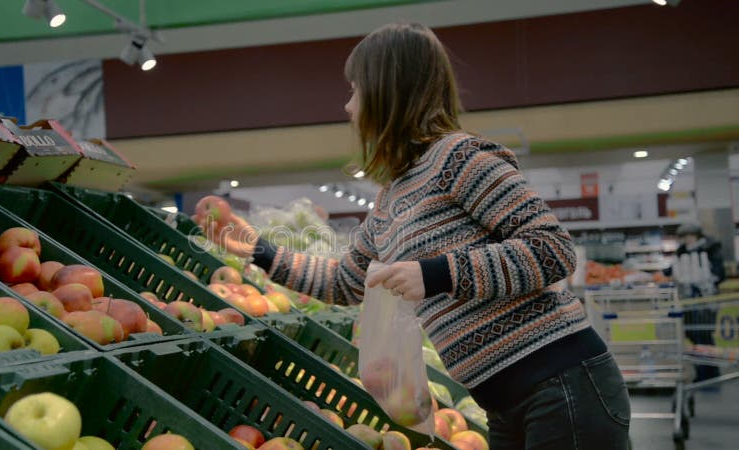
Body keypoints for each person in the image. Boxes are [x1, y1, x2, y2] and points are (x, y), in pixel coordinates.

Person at [204, 23, 630, 450]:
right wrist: (258, 250)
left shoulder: (459, 157)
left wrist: (436, 274)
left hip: (561, 385)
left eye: (356, 89)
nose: (349, 106)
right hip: (504, 402)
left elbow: (552, 248)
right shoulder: (393, 195)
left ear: (387, 92)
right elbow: (346, 282)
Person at [674, 222, 724, 384]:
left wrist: (705, 281)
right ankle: (703, 371)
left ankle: (711, 372)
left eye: (688, 236)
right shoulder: (682, 251)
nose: (686, 240)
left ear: (697, 236)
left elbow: (719, 273)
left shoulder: (711, 248)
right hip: (689, 299)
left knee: (703, 334)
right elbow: (675, 269)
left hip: (706, 300)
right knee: (693, 333)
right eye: (683, 237)